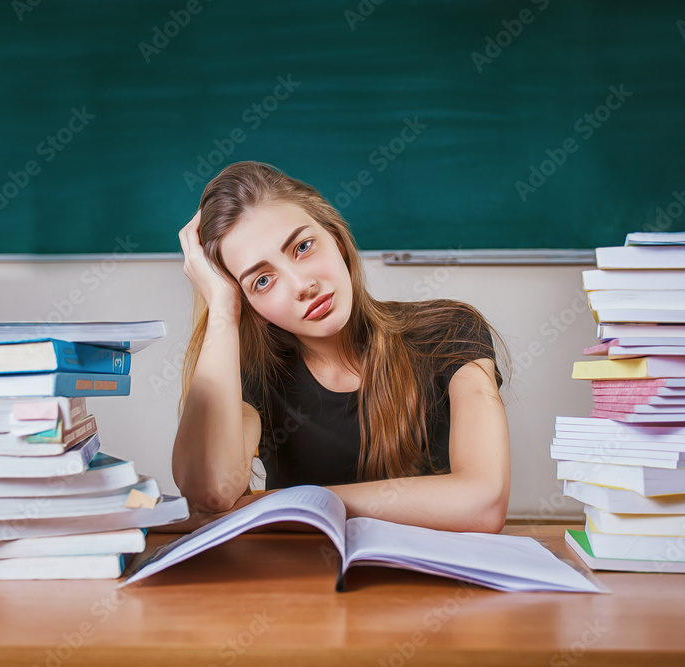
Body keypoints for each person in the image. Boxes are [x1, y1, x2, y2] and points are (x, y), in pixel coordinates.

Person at [172, 161, 510, 533]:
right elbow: (210, 494)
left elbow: (484, 503)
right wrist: (222, 304)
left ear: (336, 239)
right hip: (301, 586)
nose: (302, 284)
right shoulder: (255, 373)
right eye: (263, 281)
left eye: (302, 247)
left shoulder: (451, 331)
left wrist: (282, 502)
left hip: (438, 586)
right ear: (252, 306)